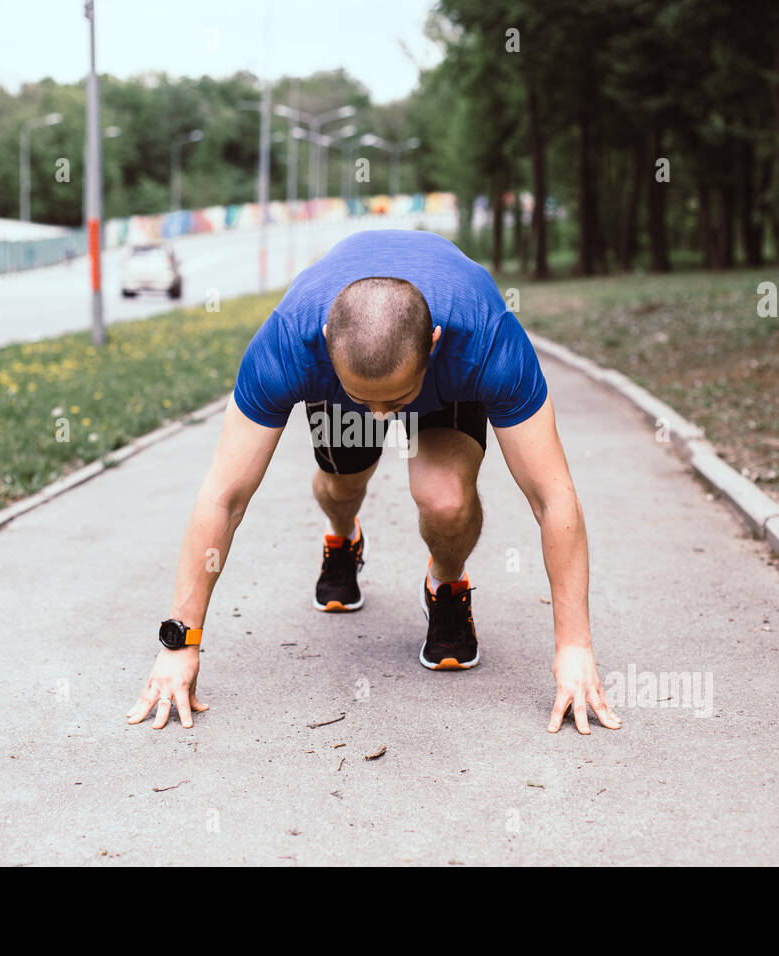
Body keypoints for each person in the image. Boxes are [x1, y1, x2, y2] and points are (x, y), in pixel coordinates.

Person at [126, 229, 620, 736]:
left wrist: (574, 647)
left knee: (446, 501)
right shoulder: (288, 343)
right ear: (326, 342)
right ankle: (343, 537)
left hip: (444, 388)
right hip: (353, 387)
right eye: (368, 401)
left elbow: (552, 496)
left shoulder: (486, 340)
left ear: (434, 342)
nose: (382, 418)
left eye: (396, 400)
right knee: (344, 483)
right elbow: (224, 497)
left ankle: (446, 584)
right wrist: (180, 642)